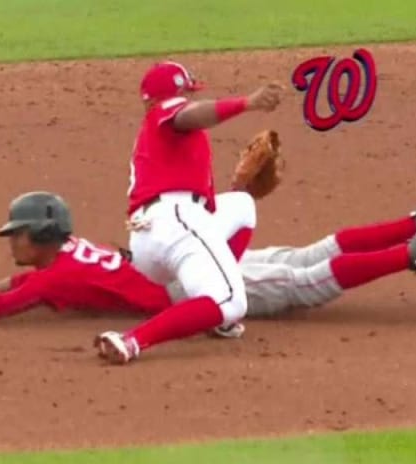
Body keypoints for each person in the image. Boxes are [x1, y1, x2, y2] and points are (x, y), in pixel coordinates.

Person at [0, 191, 416, 334]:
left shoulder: (55, 276)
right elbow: (17, 282)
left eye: (17, 234)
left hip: (185, 288)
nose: (12, 241)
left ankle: (412, 252)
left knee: (302, 282)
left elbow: (6, 303)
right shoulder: (69, 256)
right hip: (181, 262)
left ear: (40, 237)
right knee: (306, 255)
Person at [95, 61, 283, 365]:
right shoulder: (165, 112)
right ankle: (132, 340)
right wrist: (246, 103)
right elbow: (188, 115)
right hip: (176, 223)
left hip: (152, 233)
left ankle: (215, 315)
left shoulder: (157, 136)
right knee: (232, 302)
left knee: (241, 205)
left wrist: (237, 186)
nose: (190, 99)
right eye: (186, 93)